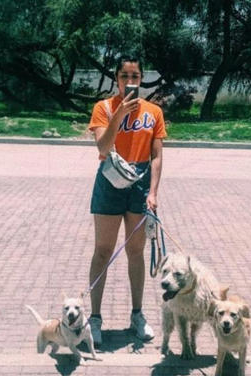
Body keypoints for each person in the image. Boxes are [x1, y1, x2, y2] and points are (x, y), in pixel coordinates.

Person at [86, 56, 167, 346]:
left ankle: (137, 314)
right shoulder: (104, 108)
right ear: (116, 79)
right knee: (103, 251)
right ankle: (94, 318)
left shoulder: (153, 112)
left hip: (140, 184)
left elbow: (156, 156)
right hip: (110, 181)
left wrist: (153, 192)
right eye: (124, 76)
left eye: (135, 76)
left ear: (141, 78)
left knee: (136, 252)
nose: (130, 82)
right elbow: (102, 147)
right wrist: (119, 115)